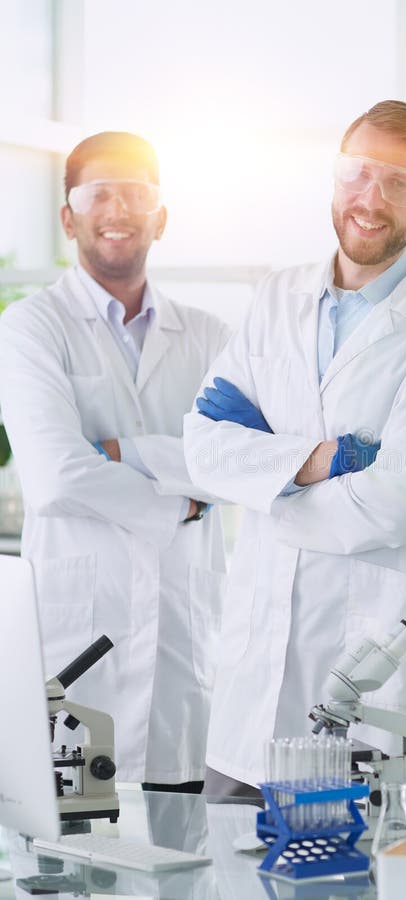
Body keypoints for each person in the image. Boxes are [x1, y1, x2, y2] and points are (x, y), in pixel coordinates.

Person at [183, 100, 406, 795]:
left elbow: (402, 501)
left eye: (399, 183)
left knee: (359, 857)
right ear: (335, 174)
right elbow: (203, 449)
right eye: (358, 173)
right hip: (250, 684)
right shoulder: (277, 297)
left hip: (371, 682)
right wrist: (322, 461)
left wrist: (265, 488)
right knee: (224, 855)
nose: (370, 199)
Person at [0, 132, 230, 791]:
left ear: (162, 216)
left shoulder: (210, 336)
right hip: (76, 643)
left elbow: (241, 460)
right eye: (98, 195)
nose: (118, 210)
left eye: (136, 195)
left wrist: (125, 453)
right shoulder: (32, 327)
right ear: (68, 217)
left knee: (183, 833)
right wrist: (184, 498)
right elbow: (55, 477)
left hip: (183, 645)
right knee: (72, 837)